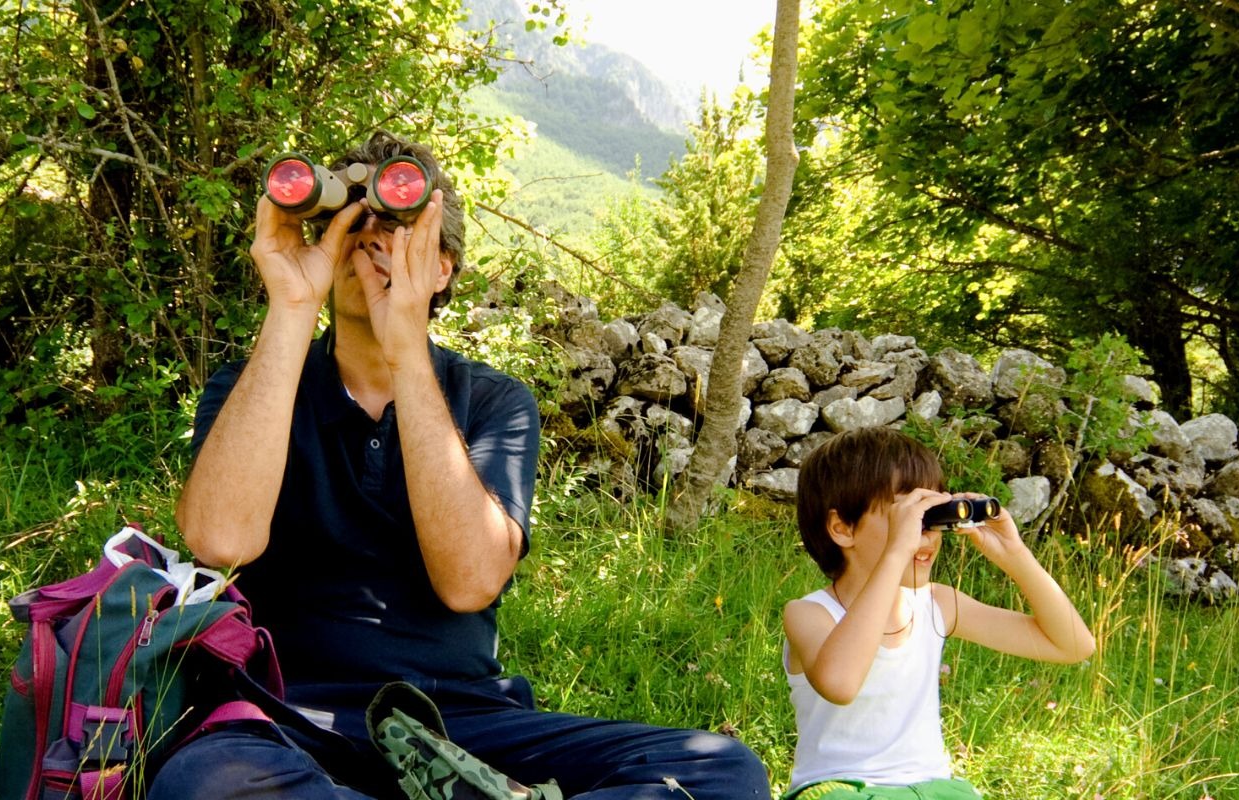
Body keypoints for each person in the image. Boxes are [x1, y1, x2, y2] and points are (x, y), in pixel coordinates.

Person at [159, 132, 769, 799]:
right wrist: (291, 305)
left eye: (395, 232)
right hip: (290, 715)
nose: (367, 245)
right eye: (349, 227)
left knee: (722, 770)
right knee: (207, 780)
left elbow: (470, 581)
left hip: (462, 721)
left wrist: (405, 353)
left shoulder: (492, 400)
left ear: (443, 267)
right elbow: (221, 540)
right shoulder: (253, 386)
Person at [780, 428, 1096, 800]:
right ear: (842, 528)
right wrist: (897, 551)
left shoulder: (937, 604)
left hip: (933, 788)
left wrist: (1015, 555)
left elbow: (1072, 645)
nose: (926, 536)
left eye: (933, 519)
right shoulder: (810, 613)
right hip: (842, 788)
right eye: (910, 518)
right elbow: (841, 684)